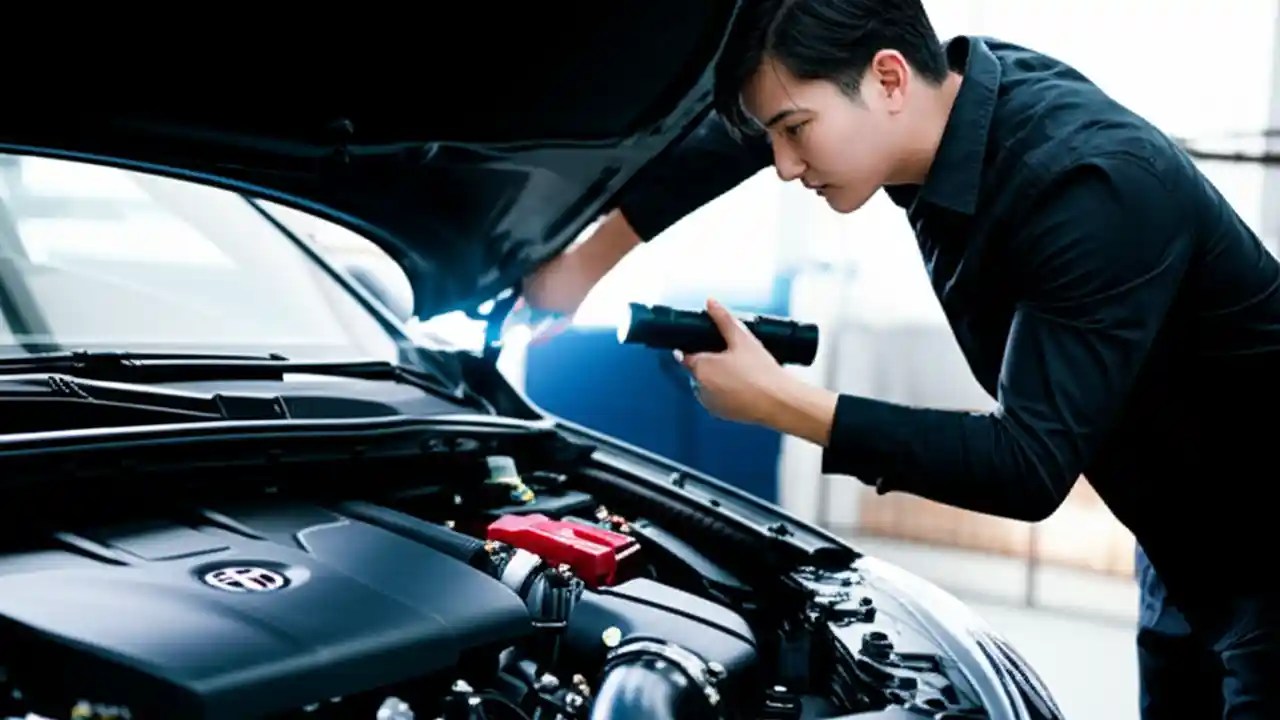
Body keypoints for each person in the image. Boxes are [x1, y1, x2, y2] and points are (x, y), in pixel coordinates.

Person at [521, 0, 1280, 717]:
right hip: (1181, 540)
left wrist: (778, 403)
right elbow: (746, 130)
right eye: (774, 137)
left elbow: (1026, 465)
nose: (784, 165)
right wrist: (586, 263)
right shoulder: (949, 97)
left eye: (794, 132)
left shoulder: (1085, 186)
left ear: (887, 77)